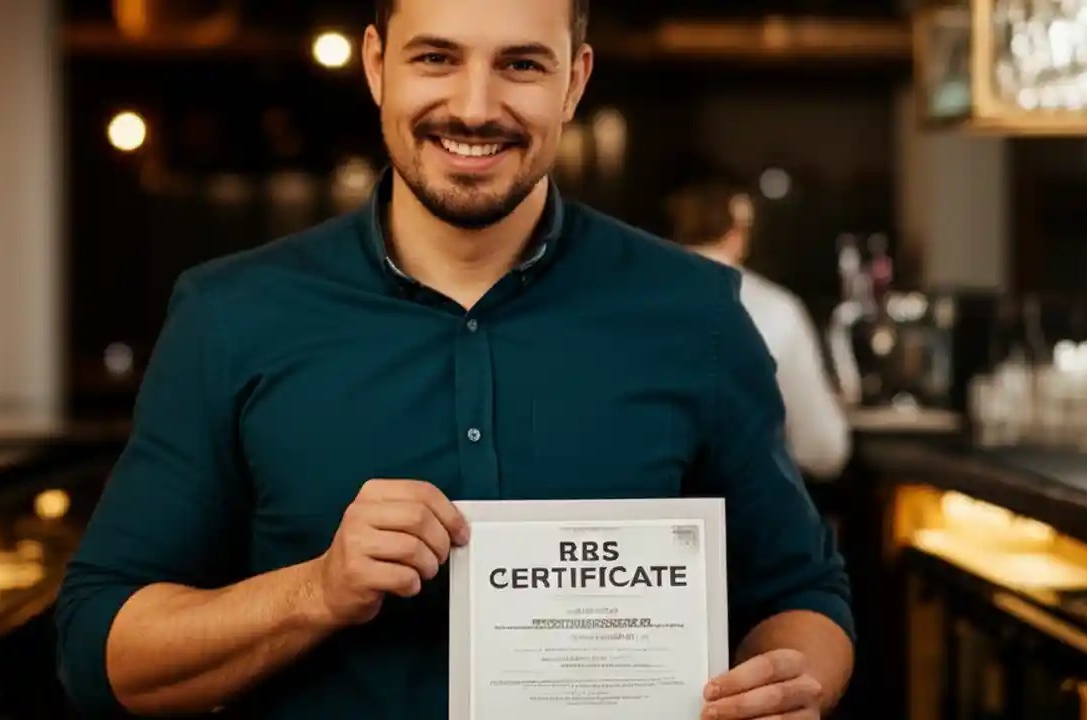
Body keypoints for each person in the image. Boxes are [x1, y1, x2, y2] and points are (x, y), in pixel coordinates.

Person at [55, 1, 855, 718]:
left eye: (521, 64)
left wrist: (790, 686)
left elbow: (804, 595)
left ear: (574, 81)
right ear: (377, 65)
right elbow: (99, 650)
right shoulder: (230, 315)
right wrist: (316, 591)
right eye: (436, 57)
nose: (475, 107)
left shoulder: (696, 312)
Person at [666, 174, 852, 479]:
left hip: (643, 500)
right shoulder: (775, 310)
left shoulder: (627, 300)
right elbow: (823, 448)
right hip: (741, 497)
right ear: (737, 233)